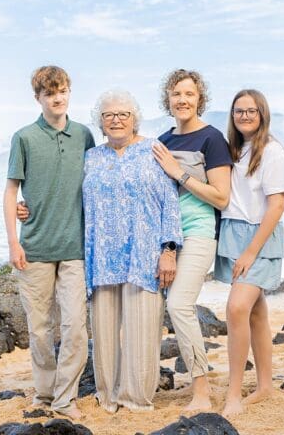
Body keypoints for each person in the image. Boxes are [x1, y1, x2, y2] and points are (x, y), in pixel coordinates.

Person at [3, 65, 95, 420]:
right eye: (49, 93)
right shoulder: (24, 138)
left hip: (75, 248)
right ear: (38, 98)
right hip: (36, 247)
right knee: (39, 329)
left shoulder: (84, 136)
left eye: (62, 91)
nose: (57, 98)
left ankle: (65, 398)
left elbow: (96, 184)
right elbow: (12, 191)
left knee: (75, 326)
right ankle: (44, 393)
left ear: (69, 92)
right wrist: (14, 241)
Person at [83, 89, 182, 413]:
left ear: (134, 119)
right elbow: (68, 199)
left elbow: (171, 203)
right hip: (101, 256)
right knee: (104, 333)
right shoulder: (91, 157)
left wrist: (168, 250)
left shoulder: (154, 149)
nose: (116, 120)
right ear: (100, 122)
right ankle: (108, 396)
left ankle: (136, 399)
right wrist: (27, 207)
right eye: (109, 115)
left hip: (143, 255)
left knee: (143, 332)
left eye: (123, 114)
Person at [151, 69, 232, 411]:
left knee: (179, 305)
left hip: (199, 233)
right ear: (167, 100)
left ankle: (201, 390)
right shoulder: (163, 141)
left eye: (189, 94)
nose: (182, 100)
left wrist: (178, 172)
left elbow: (221, 197)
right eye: (176, 94)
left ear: (200, 99)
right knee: (154, 308)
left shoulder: (211, 139)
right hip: (166, 238)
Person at [214, 89, 284, 417]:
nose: (244, 116)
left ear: (262, 114)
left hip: (257, 236)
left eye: (251, 111)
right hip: (232, 233)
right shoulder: (234, 149)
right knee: (256, 313)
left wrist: (250, 252)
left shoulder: (272, 152)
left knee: (236, 309)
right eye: (238, 111)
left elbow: (277, 205)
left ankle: (233, 393)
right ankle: (264, 386)